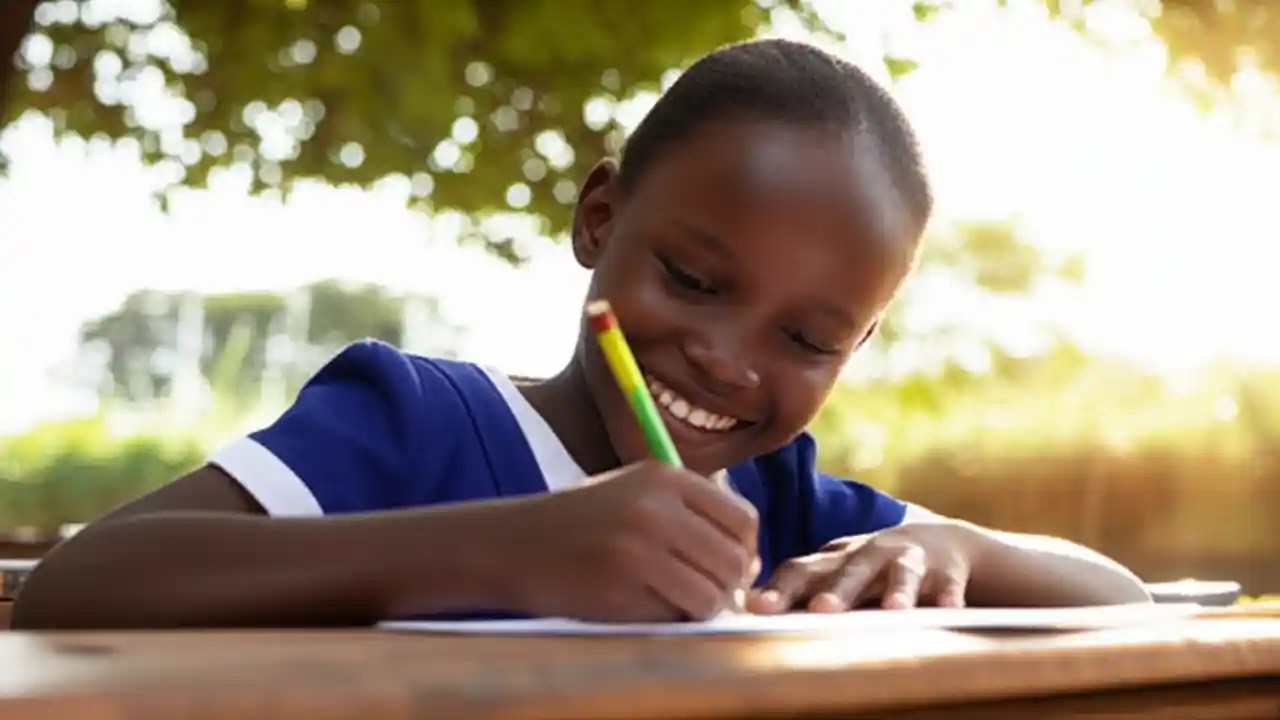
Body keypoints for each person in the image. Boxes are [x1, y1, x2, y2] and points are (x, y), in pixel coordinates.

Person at [12, 39, 1149, 630]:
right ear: (599, 220)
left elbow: (1114, 598)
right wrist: (508, 549)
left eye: (807, 340)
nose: (726, 357)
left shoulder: (779, 508)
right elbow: (80, 586)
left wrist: (958, 550)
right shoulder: (418, 422)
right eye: (694, 278)